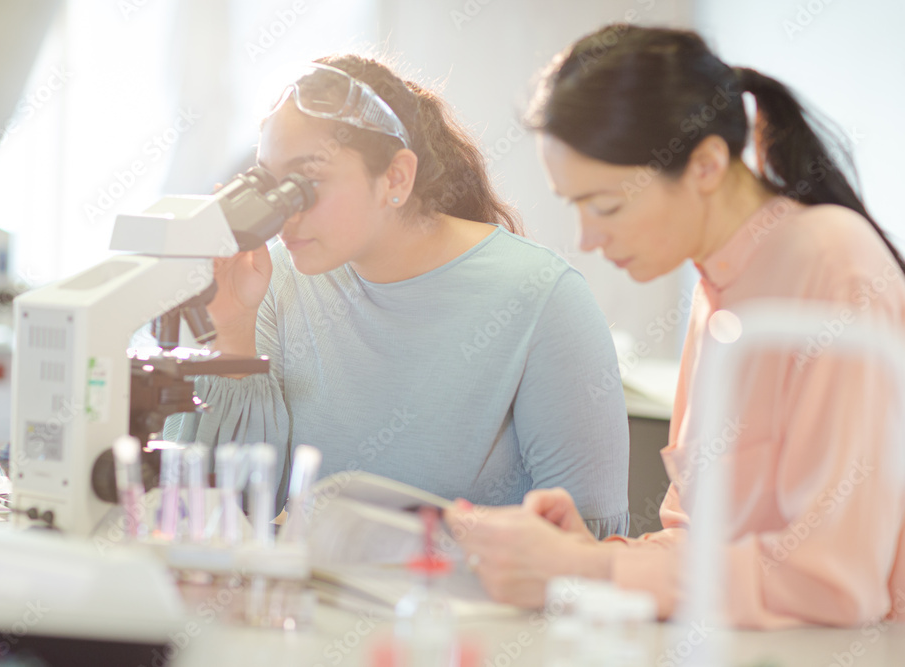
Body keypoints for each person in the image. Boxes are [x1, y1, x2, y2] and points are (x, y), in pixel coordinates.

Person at [445, 25, 905, 628]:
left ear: (707, 164)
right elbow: (705, 547)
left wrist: (589, 571)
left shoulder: (835, 268)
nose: (587, 238)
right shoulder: (715, 288)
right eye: (574, 205)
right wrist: (588, 553)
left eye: (606, 205)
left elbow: (831, 584)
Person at [168, 55, 631, 538]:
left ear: (396, 178)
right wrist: (232, 332)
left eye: (307, 182)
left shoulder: (543, 298)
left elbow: (582, 544)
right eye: (270, 182)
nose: (284, 213)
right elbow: (225, 512)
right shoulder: (277, 278)